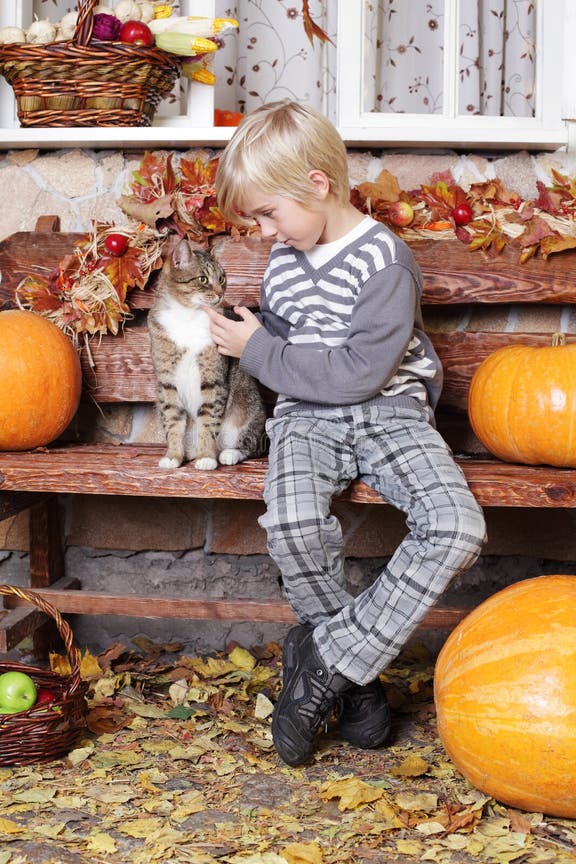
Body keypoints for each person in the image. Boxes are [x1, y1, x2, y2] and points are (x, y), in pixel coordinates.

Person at [206, 100, 486, 767]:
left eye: (269, 213)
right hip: (306, 417)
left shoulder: (384, 261)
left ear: (318, 185)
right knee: (293, 524)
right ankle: (358, 683)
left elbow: (359, 374)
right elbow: (295, 351)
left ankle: (326, 657)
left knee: (457, 528)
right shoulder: (286, 258)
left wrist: (258, 352)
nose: (267, 232)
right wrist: (248, 335)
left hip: (387, 412)